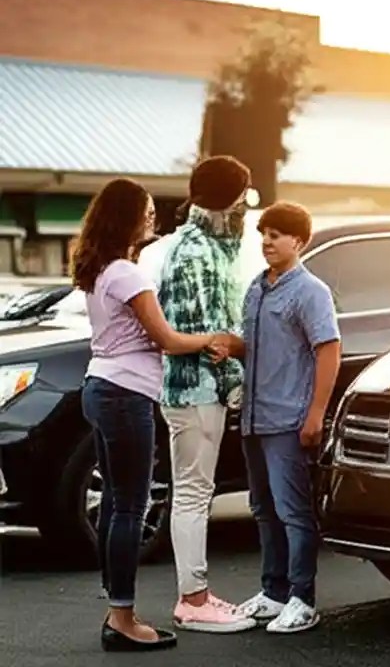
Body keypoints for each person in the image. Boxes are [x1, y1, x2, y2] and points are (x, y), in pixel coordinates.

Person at [71, 178, 221, 652]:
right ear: (126, 216)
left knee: (116, 502)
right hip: (124, 394)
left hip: (100, 387)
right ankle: (123, 618)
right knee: (131, 506)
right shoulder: (128, 274)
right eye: (148, 210)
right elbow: (168, 339)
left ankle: (117, 606)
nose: (154, 216)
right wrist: (217, 340)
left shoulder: (101, 269)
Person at [139, 156, 257, 633]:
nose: (248, 207)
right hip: (196, 392)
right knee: (192, 494)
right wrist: (237, 388)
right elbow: (209, 337)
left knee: (193, 492)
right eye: (244, 195)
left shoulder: (198, 244)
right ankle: (193, 601)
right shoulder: (197, 253)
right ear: (230, 198)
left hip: (190, 391)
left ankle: (198, 595)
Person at [214, 201, 340, 634]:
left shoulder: (311, 292)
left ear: (299, 242)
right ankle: (273, 593)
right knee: (263, 509)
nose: (266, 241)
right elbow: (261, 346)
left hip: (289, 419)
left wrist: (315, 415)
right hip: (253, 417)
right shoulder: (256, 287)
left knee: (293, 512)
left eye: (277, 234)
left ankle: (302, 599)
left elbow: (328, 350)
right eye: (263, 233)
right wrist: (233, 346)